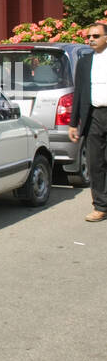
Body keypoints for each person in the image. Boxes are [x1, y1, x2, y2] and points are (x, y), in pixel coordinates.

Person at [69, 20, 107, 222]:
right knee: (95, 162)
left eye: (96, 36)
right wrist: (73, 123)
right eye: (89, 36)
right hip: (93, 116)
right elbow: (79, 94)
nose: (91, 40)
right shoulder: (84, 62)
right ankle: (100, 206)